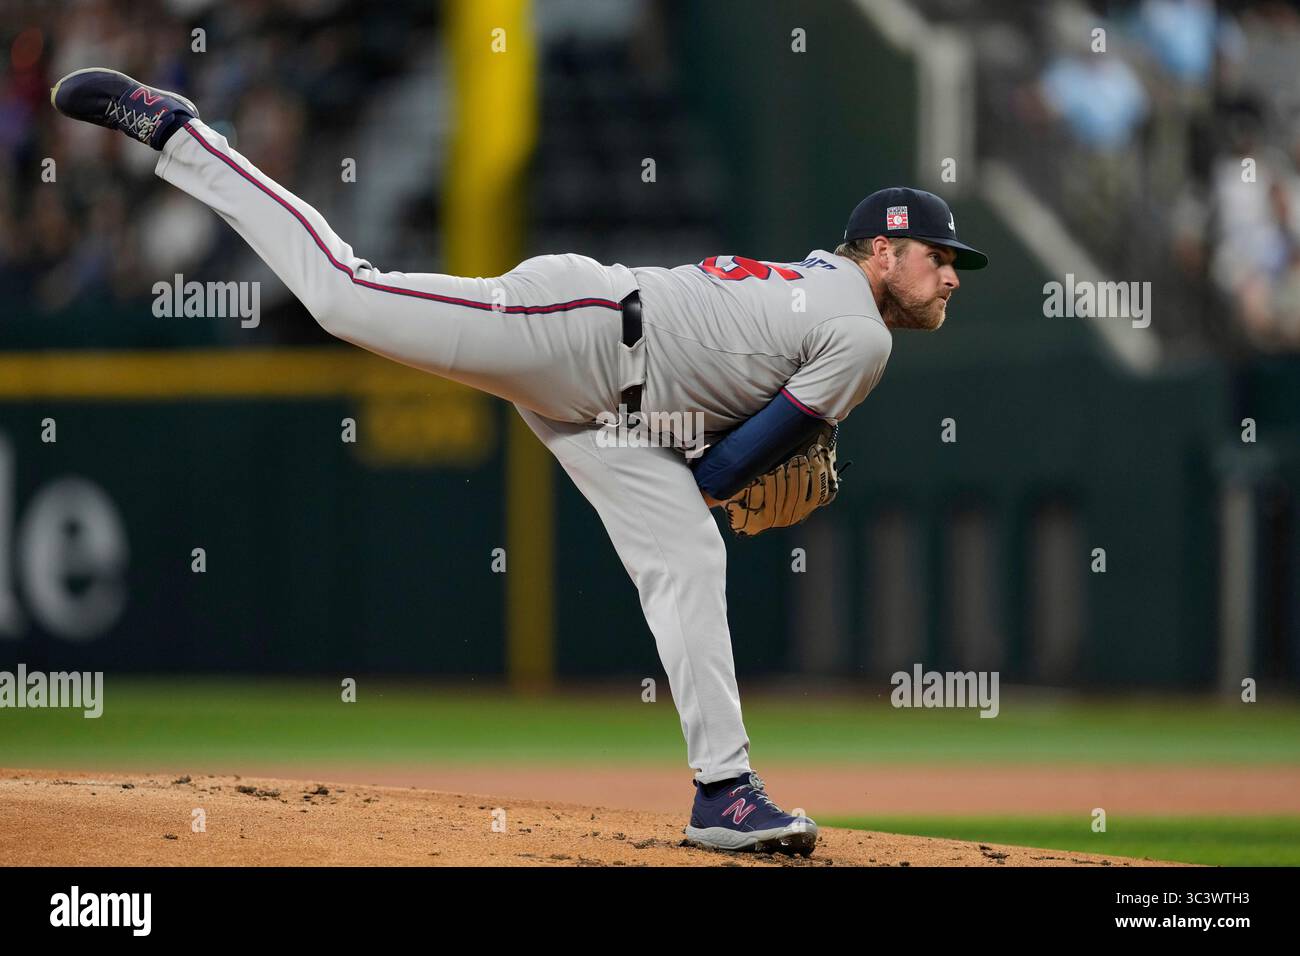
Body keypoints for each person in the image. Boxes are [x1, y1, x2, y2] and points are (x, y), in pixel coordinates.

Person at [51, 68, 987, 857]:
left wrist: (728, 474)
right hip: (584, 331)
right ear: (882, 249)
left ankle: (725, 793)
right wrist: (743, 487)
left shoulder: (831, 298)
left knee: (689, 560)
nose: (950, 275)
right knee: (348, 297)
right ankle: (178, 133)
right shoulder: (862, 335)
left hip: (616, 409)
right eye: (937, 256)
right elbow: (728, 468)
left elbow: (726, 455)